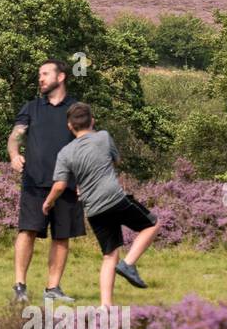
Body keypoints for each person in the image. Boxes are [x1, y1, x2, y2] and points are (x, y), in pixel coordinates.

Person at [43, 102, 158, 306]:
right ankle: (128, 264)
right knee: (151, 225)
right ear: (92, 121)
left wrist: (48, 202)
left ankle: (106, 306)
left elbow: (59, 185)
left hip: (93, 209)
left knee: (109, 254)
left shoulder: (65, 153)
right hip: (114, 199)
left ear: (70, 126)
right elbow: (116, 160)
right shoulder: (103, 137)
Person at [7, 59, 84, 304]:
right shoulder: (30, 108)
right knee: (27, 230)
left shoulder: (77, 109)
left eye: (45, 73)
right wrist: (14, 154)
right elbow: (15, 136)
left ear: (60, 77)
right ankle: (20, 286)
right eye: (39, 74)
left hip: (68, 184)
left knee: (62, 236)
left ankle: (53, 288)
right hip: (34, 182)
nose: (40, 78)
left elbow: (86, 145)